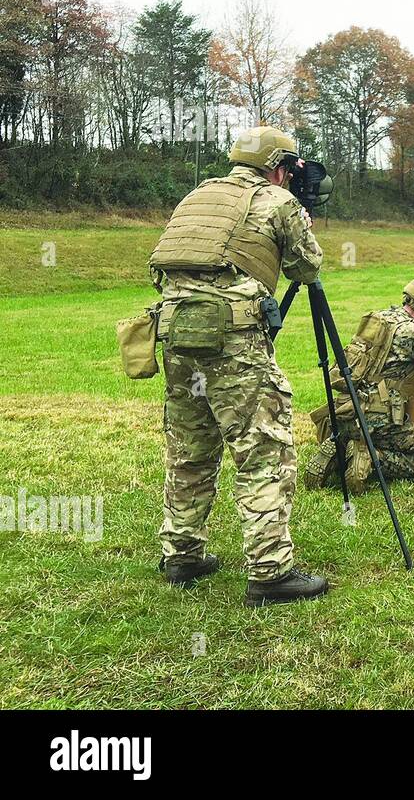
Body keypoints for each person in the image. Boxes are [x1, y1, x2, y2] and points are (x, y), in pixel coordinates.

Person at [149, 126, 329, 607]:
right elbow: (307, 268)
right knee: (263, 449)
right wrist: (302, 223)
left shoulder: (199, 196)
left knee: (190, 447)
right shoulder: (276, 201)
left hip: (176, 333)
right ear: (279, 167)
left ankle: (181, 554)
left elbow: (160, 268)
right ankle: (271, 574)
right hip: (233, 338)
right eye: (290, 170)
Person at [304, 275, 414, 493]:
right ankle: (371, 459)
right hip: (380, 419)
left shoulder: (381, 318)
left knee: (372, 433)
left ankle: (342, 450)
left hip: (348, 410)